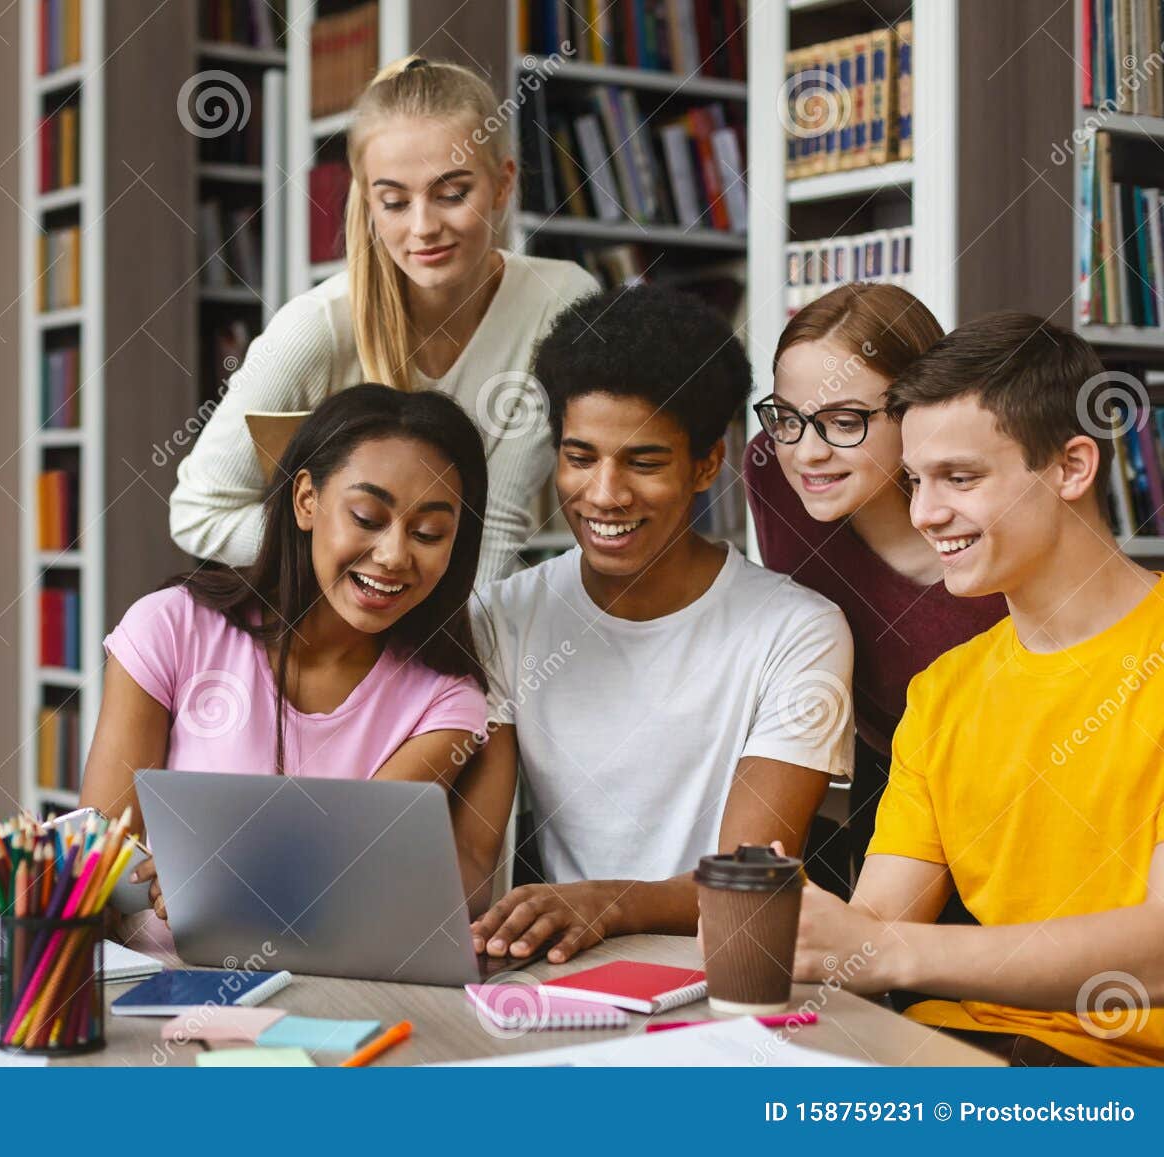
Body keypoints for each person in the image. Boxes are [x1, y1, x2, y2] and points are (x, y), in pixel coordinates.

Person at [791, 313, 1164, 1067]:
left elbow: (1157, 949)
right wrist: (795, 929)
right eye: (916, 480)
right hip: (941, 1046)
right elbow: (873, 930)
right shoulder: (945, 693)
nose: (927, 513)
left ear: (1071, 466)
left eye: (960, 478)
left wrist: (881, 950)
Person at [462, 283, 856, 965]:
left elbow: (748, 876)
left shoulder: (799, 631)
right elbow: (475, 849)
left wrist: (603, 902)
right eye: (580, 457)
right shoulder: (507, 614)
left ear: (707, 464)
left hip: (725, 967)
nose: (605, 494)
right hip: (561, 964)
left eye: (644, 462)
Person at [169, 56, 598, 585]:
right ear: (367, 200)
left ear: (503, 185)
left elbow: (494, 528)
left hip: (454, 620)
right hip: (330, 625)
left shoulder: (560, 302)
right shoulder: (315, 328)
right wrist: (350, 547)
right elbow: (198, 512)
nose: (424, 228)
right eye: (394, 201)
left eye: (452, 194)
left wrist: (438, 661)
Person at [81, 385, 492, 917]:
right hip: (153, 980)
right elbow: (99, 870)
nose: (393, 556)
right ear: (306, 501)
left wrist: (233, 867)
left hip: (323, 991)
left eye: (430, 532)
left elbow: (348, 874)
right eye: (367, 518)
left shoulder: (445, 702)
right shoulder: (171, 627)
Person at [745, 283, 1006, 883]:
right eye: (789, 417)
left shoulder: (994, 537)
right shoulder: (771, 468)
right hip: (886, 765)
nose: (808, 452)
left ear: (920, 409)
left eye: (844, 421)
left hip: (1008, 789)